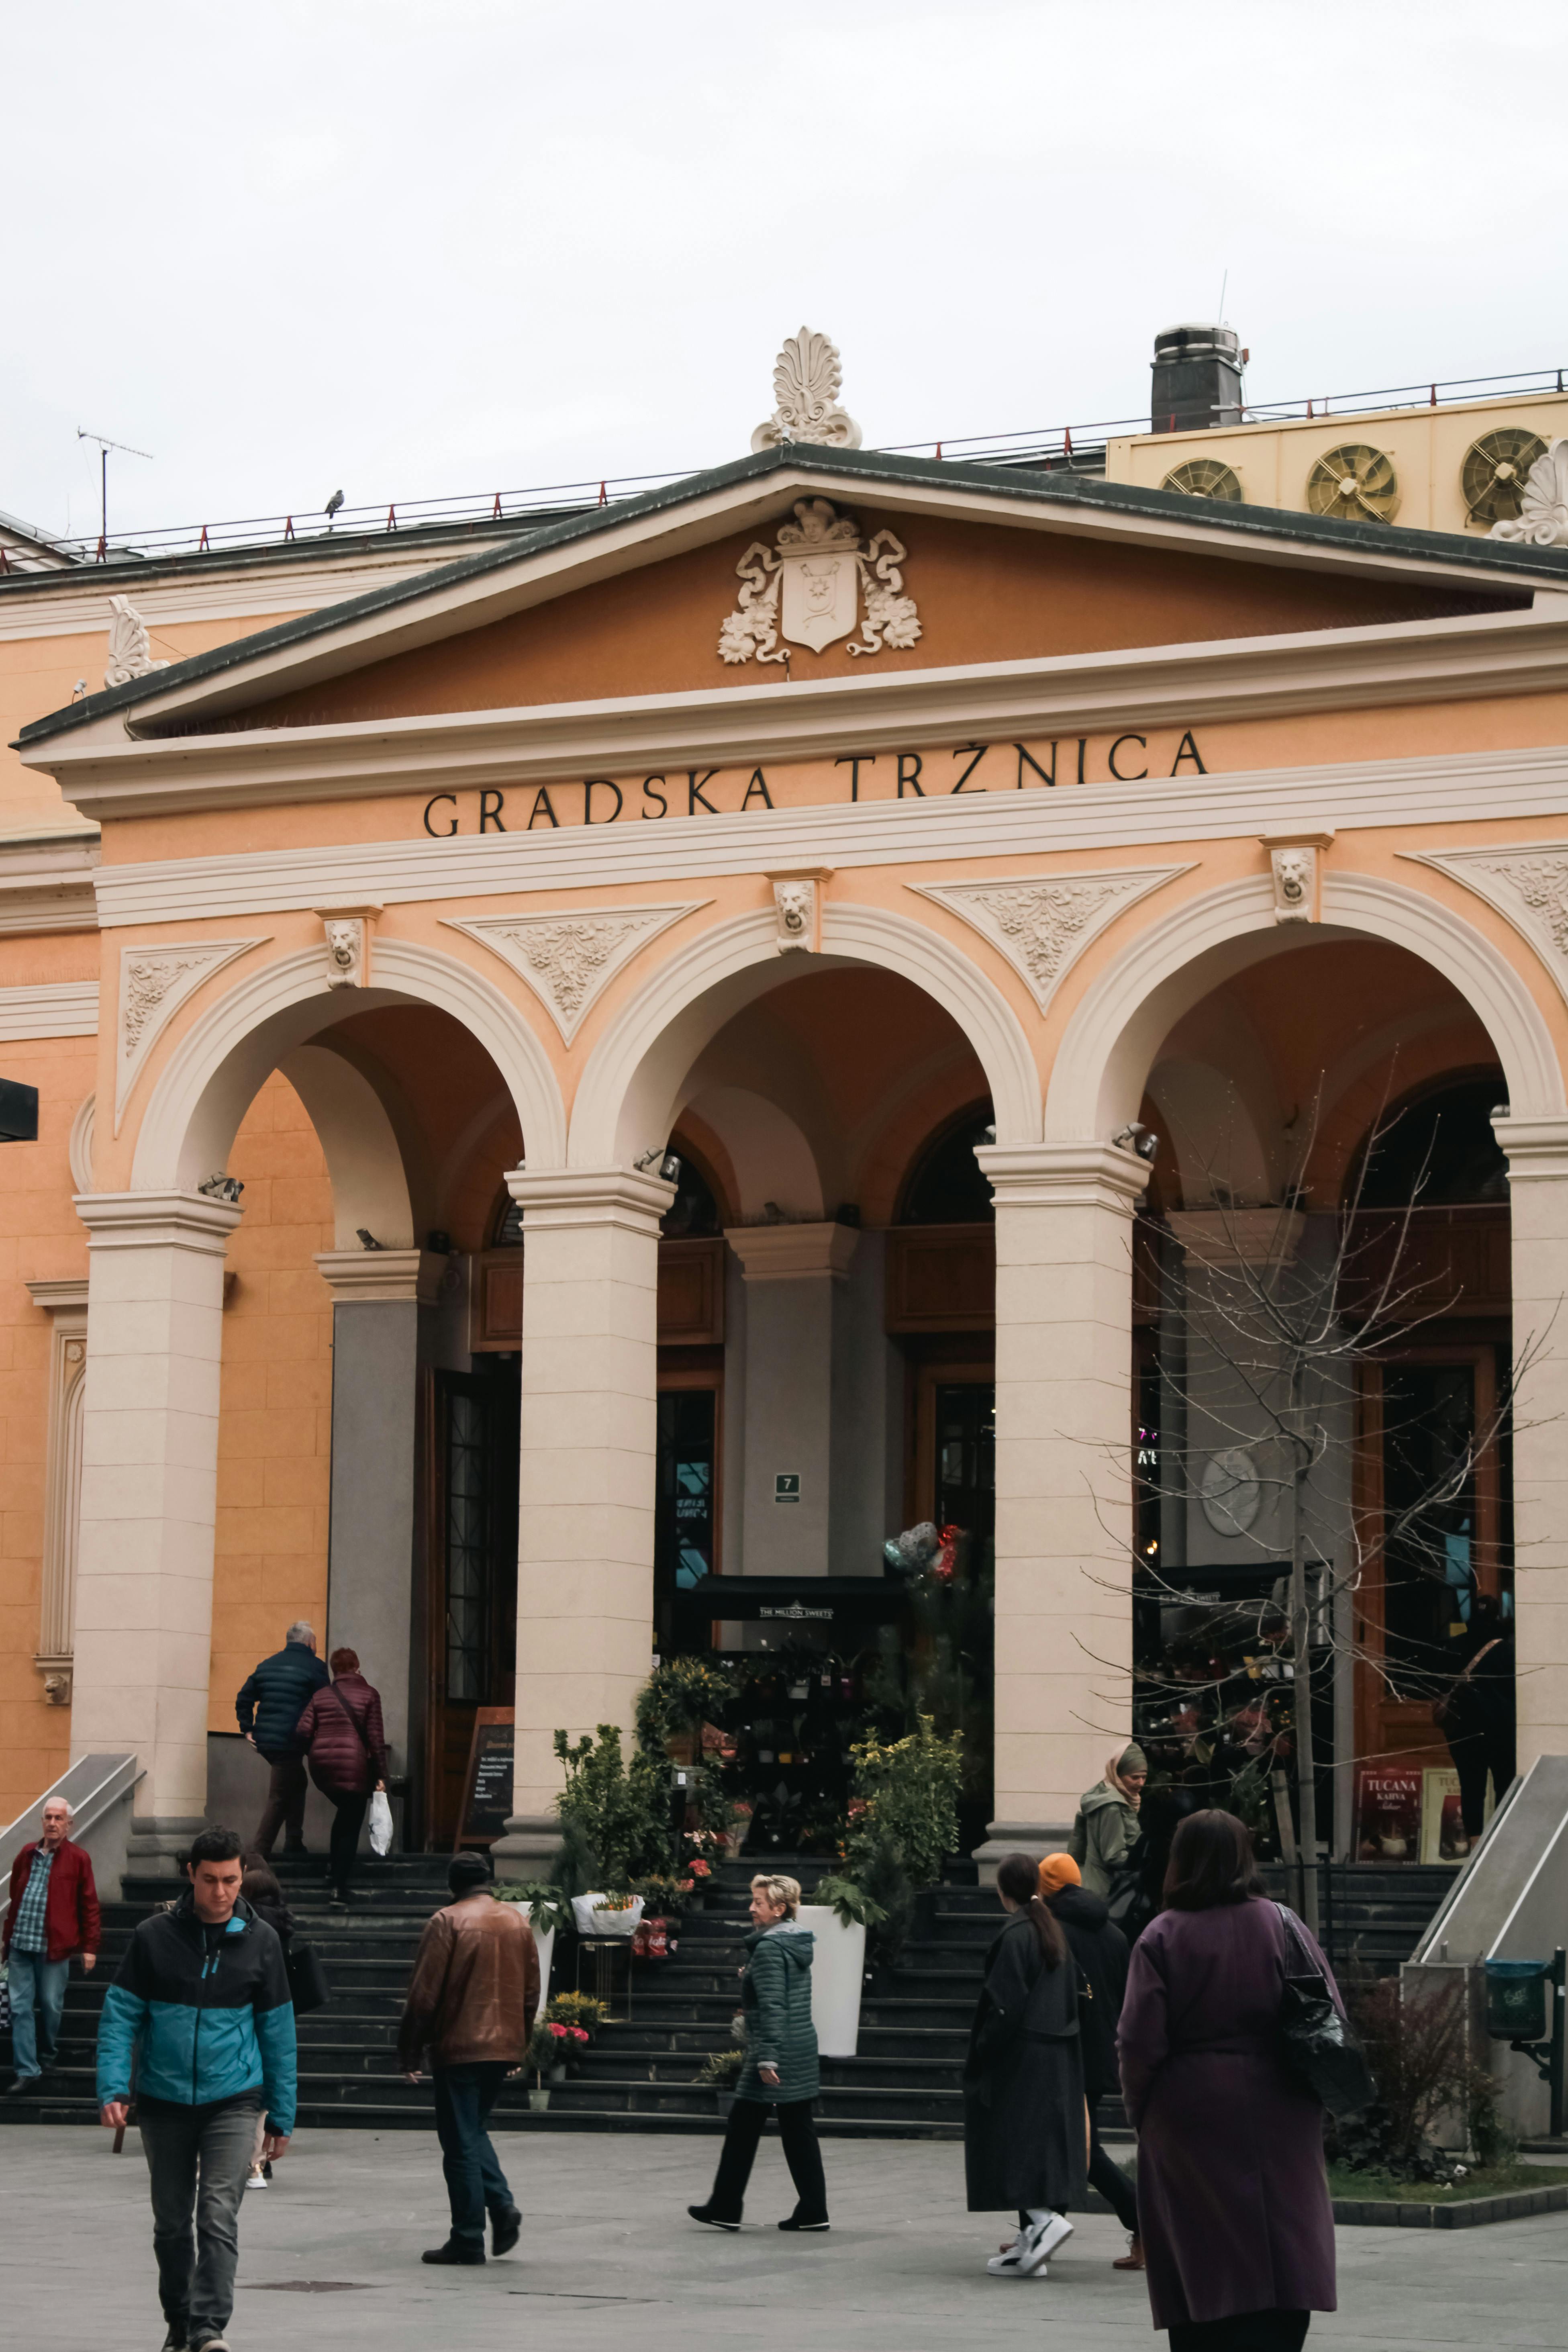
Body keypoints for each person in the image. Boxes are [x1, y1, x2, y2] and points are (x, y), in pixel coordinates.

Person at [1118, 1810, 1339, 2352]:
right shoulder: (1284, 1923)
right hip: (1281, 2098)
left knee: (1200, 2245)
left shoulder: (1162, 1934)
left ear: (1180, 1860)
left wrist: (1144, 2110)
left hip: (1188, 2107)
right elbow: (1328, 2007)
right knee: (1284, 2231)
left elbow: (1138, 2041)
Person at [98, 1824, 297, 2352]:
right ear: (191, 1874)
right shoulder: (154, 1936)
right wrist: (113, 2086)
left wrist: (282, 2113)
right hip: (163, 2101)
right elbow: (120, 2015)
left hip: (234, 2098)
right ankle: (179, 2318)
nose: (222, 1891)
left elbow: (278, 2031)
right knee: (170, 2222)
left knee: (216, 2212)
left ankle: (209, 2326)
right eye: (210, 1879)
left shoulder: (262, 1941)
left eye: (231, 1880)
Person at [398, 1851, 539, 2265]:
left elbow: (424, 1994)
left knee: (459, 2142)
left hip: (459, 2045)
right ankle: (500, 2205)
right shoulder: (516, 1920)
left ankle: (468, 2235)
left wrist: (410, 2048)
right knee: (472, 2131)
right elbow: (531, 1991)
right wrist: (520, 2043)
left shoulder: (448, 1920)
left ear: (452, 1883)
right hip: (502, 2042)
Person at [964, 1851, 1087, 2280]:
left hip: (1022, 2054)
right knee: (1037, 2143)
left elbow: (1003, 2004)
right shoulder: (1050, 1930)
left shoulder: (1016, 1934)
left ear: (1003, 1890)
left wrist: (984, 2049)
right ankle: (1031, 2239)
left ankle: (1040, 2220)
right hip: (1057, 2051)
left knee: (1010, 2139)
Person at [688, 1872, 828, 2233]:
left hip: (776, 2048)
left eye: (759, 1903)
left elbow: (772, 2006)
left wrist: (767, 2057)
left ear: (780, 1908)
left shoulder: (768, 1948)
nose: (751, 1908)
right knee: (797, 2129)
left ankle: (726, 2205)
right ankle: (813, 2210)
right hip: (799, 2044)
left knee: (743, 2126)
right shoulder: (795, 1941)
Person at [1038, 1851, 1143, 2269]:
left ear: (1046, 1888)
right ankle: (1042, 2230)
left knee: (1080, 2150)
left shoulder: (1053, 1932)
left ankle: (1143, 2219)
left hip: (1064, 2049)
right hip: (1103, 2051)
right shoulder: (1114, 1934)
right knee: (1069, 2144)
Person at [2, 1794, 100, 2096]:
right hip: (21, 1945)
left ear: (69, 1825)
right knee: (20, 2009)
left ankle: (47, 2054)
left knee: (50, 2006)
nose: (53, 1823)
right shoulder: (26, 1853)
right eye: (48, 1817)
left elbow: (89, 1905)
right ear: (42, 1821)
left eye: (59, 1818)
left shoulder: (79, 1858)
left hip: (55, 1948)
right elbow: (15, 1895)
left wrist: (90, 1946)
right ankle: (27, 2070)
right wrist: (6, 1940)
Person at [293, 1645, 388, 1903]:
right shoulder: (370, 1694)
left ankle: (334, 1868)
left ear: (334, 1670)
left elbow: (302, 1731)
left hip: (322, 1766)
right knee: (351, 1822)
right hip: (354, 1766)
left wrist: (313, 1751)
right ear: (357, 1667)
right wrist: (382, 1775)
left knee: (345, 1814)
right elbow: (376, 1740)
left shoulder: (322, 1695)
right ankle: (339, 1887)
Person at [235, 1620, 329, 1860]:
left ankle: (294, 1841)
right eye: (315, 1641)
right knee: (279, 1796)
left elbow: (244, 1698)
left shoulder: (267, 1665)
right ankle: (257, 1855)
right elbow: (325, 1703)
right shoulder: (316, 1667)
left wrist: (248, 1729)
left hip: (266, 1740)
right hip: (292, 1740)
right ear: (310, 1642)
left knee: (297, 1781)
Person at [1437, 1592, 1516, 1839]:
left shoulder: (1455, 1644)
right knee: (1505, 1785)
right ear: (1497, 1615)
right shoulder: (1508, 1651)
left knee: (1471, 1788)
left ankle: (1474, 1844)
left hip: (1463, 1730)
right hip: (1501, 1730)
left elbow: (1440, 1684)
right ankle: (1500, 1842)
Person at [238, 1855, 296, 2190]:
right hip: (281, 2005)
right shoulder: (284, 1921)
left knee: (251, 2088)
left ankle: (248, 2160)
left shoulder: (253, 1926)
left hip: (252, 2007)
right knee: (267, 2086)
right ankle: (258, 2163)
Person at [1068, 1743, 1147, 1898]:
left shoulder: (1103, 1795)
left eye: (1144, 1777)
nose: (1141, 1783)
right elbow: (1113, 1856)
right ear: (1118, 1774)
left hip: (1097, 1884)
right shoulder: (1112, 1806)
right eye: (1135, 1777)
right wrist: (1146, 1861)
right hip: (1108, 1891)